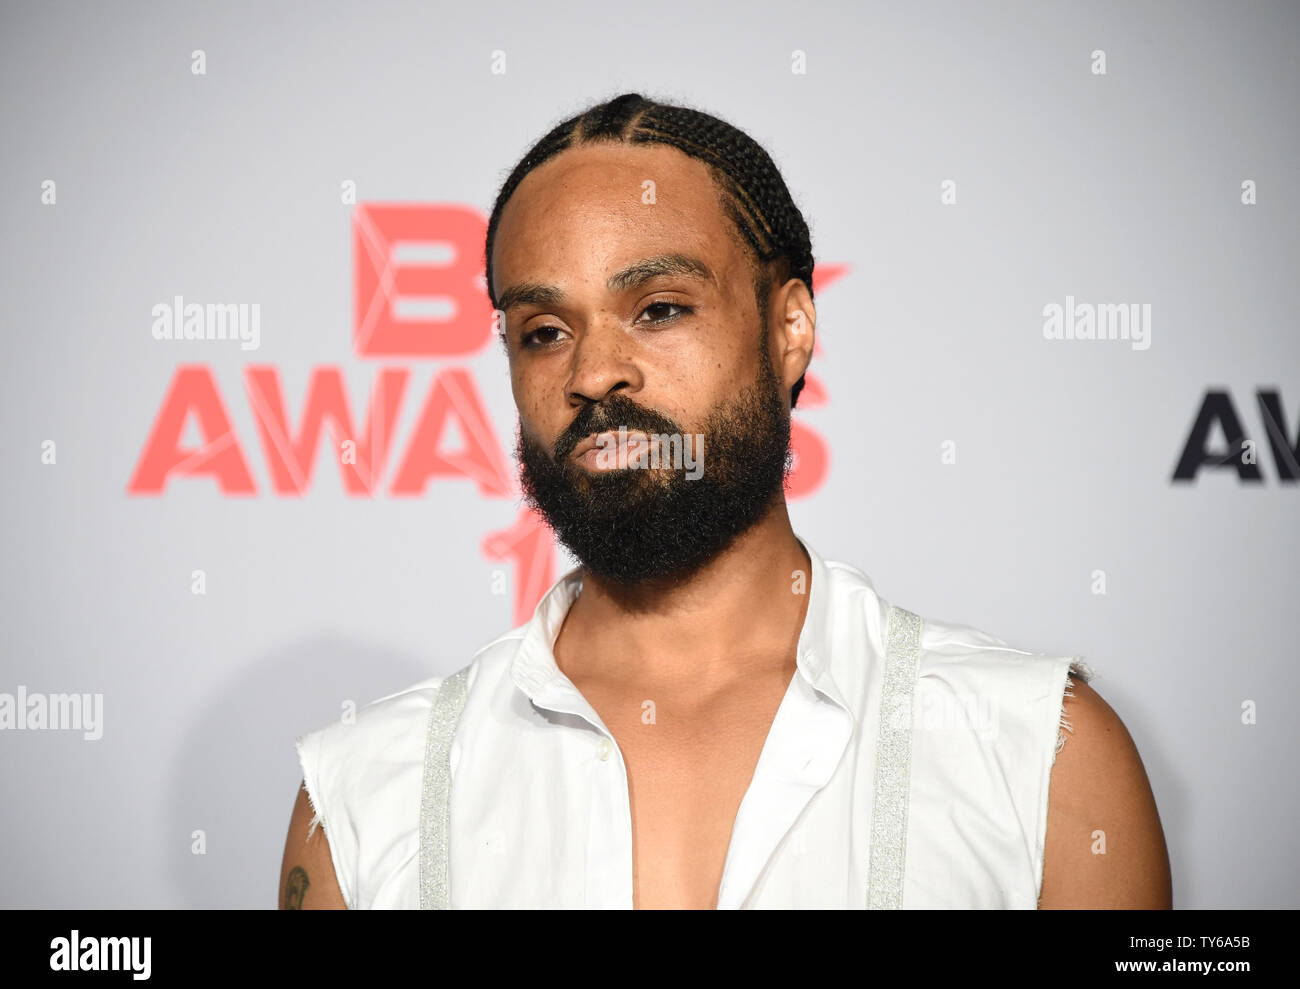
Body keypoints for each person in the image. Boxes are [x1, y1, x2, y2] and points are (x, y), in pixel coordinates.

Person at [279, 92, 1172, 909]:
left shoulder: (1039, 756)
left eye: (660, 308)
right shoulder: (363, 795)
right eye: (544, 332)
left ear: (791, 329)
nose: (593, 373)